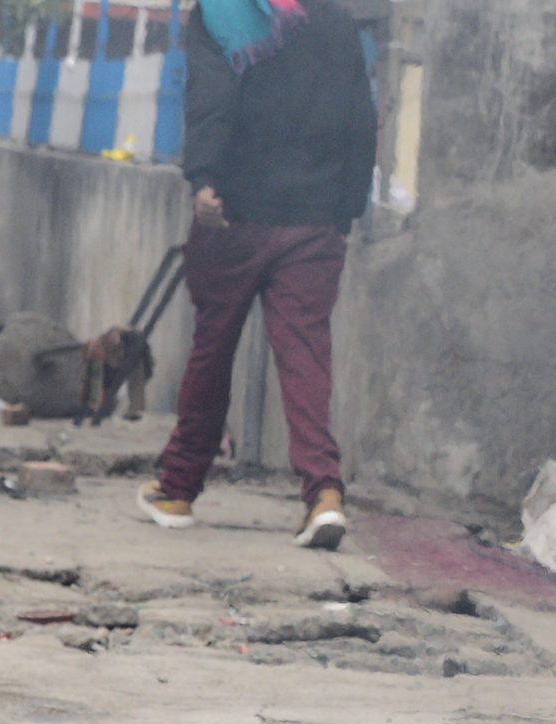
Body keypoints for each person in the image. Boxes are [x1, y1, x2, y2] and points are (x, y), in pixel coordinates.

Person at [137, 0, 377, 550]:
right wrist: (346, 207)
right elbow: (360, 112)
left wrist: (202, 178)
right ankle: (324, 494)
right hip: (314, 218)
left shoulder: (219, 14)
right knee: (305, 354)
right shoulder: (332, 17)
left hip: (234, 213)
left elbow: (210, 99)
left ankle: (177, 489)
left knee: (213, 345)